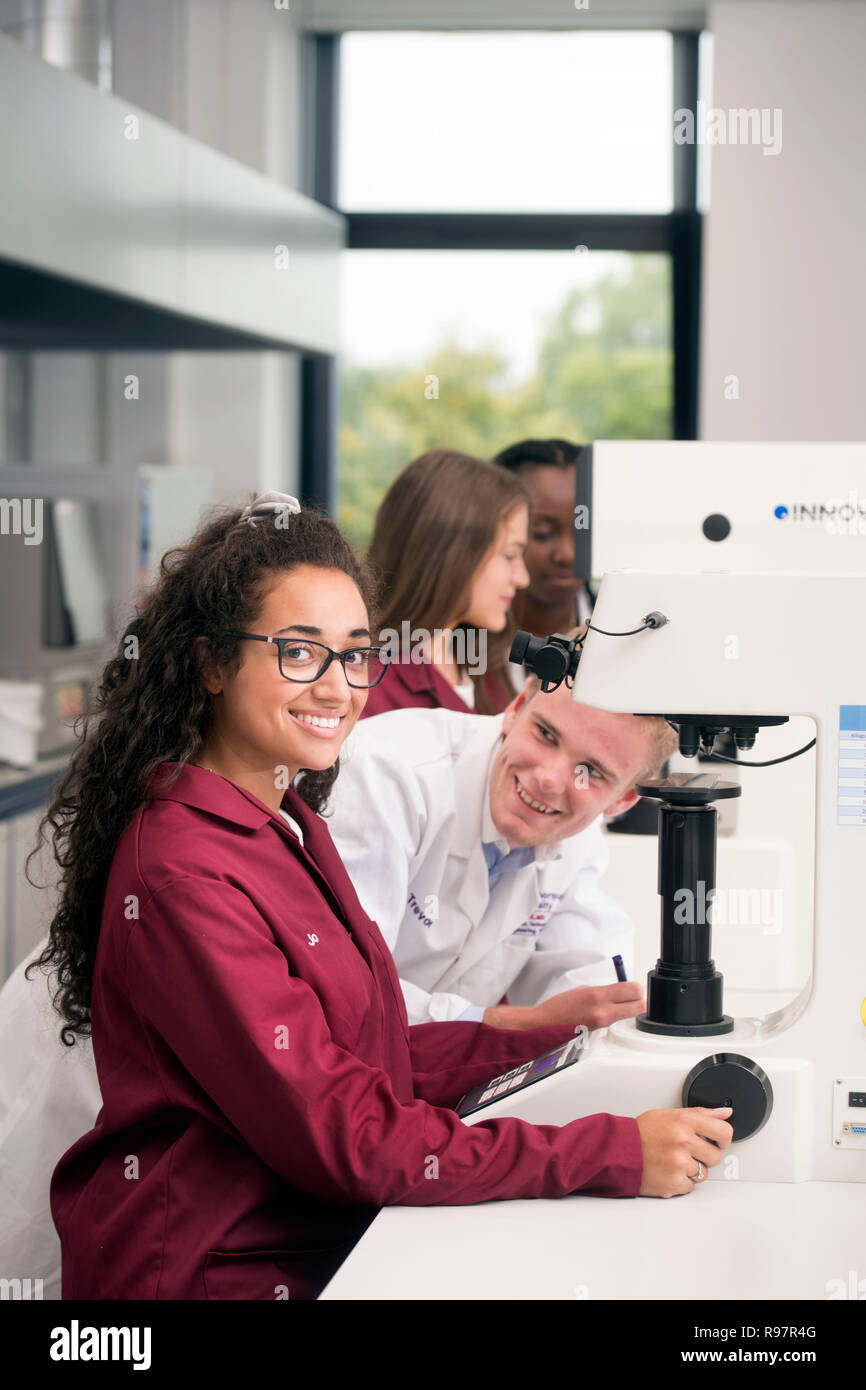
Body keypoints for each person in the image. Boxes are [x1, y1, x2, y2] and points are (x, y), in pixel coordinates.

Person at [4, 492, 732, 1303]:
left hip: (297, 1239)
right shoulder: (186, 869)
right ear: (210, 663)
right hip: (202, 1268)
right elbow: (342, 1131)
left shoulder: (285, 823)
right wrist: (608, 1153)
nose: (337, 687)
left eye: (354, 656)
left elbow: (363, 1048)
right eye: (298, 653)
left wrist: (541, 1045)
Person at [327, 656, 679, 1027]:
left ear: (623, 798)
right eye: (545, 734)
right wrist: (519, 1023)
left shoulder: (574, 834)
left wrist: (610, 1012)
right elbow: (345, 988)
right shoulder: (388, 773)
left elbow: (589, 977)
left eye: (589, 772)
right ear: (516, 707)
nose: (549, 780)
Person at [363, 449, 531, 717]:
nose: (523, 578)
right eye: (510, 555)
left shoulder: (488, 667)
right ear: (452, 554)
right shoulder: (365, 686)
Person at [494, 437, 594, 637]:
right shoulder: (454, 648)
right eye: (543, 533)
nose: (568, 555)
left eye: (584, 530)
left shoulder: (634, 632)